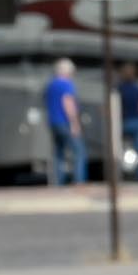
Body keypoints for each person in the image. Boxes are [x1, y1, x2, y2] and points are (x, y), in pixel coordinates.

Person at [42, 60, 84, 188]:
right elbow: (68, 103)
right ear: (67, 71)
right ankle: (79, 181)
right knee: (79, 151)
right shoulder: (66, 84)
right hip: (65, 122)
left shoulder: (50, 85)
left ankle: (58, 183)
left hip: (53, 122)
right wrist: (75, 123)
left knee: (58, 154)